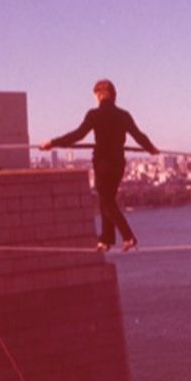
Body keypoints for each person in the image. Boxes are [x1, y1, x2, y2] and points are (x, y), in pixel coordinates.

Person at [41, 79, 159, 252]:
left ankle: (128, 236)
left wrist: (53, 143)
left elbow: (77, 135)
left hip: (103, 163)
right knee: (107, 200)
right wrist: (151, 149)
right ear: (113, 96)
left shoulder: (94, 114)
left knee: (106, 200)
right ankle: (106, 239)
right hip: (118, 163)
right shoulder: (123, 115)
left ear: (98, 95)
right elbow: (138, 135)